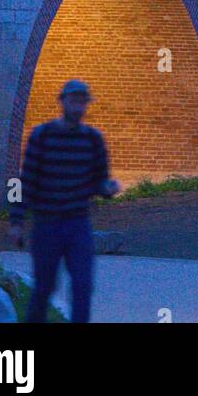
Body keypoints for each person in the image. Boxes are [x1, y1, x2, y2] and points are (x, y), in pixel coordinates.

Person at [8, 79, 120, 323]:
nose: (78, 107)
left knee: (83, 286)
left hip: (78, 224)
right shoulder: (42, 136)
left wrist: (108, 189)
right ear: (63, 102)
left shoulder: (93, 140)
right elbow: (23, 182)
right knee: (44, 288)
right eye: (73, 101)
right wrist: (16, 221)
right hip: (46, 225)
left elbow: (99, 181)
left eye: (82, 102)